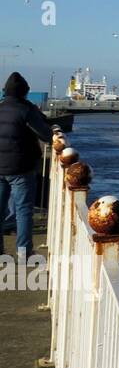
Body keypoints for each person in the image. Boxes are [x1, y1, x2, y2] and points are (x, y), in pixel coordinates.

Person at [0, 72, 54, 261]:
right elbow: (46, 134)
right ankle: (24, 253)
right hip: (21, 167)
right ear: (25, 92)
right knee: (23, 211)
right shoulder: (26, 110)